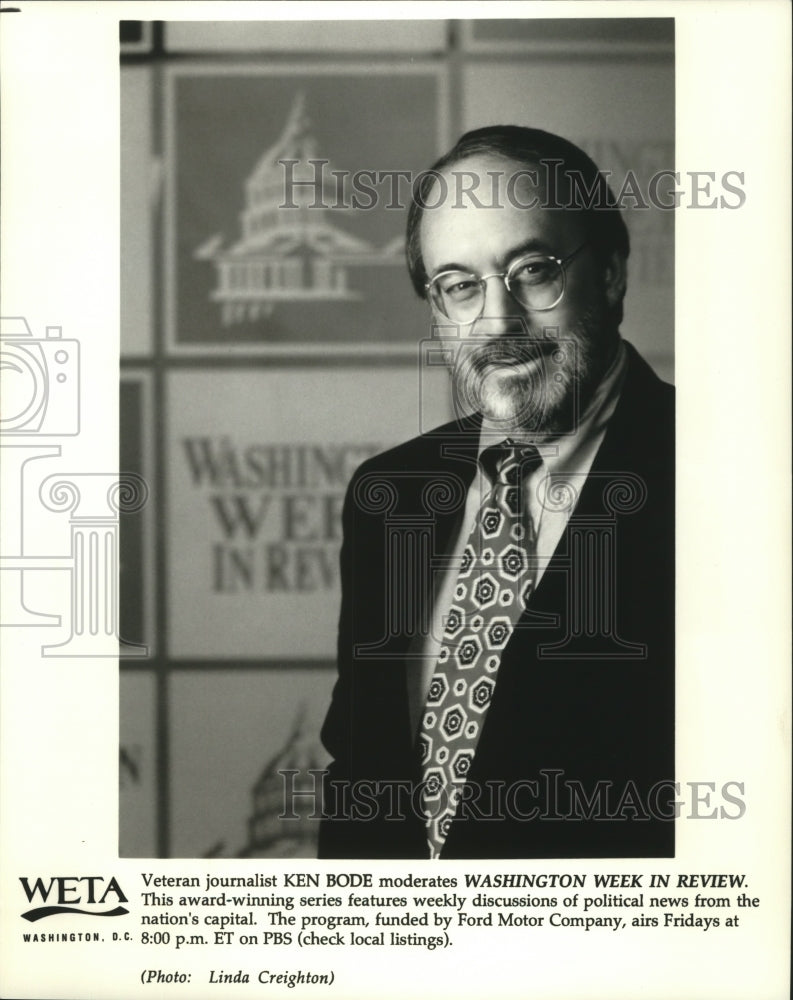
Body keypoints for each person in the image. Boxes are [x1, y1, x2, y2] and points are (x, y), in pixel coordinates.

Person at [318, 126, 674, 859]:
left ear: (609, 272)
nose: (498, 321)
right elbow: (359, 775)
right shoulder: (389, 495)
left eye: (533, 270)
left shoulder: (731, 479)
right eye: (458, 286)